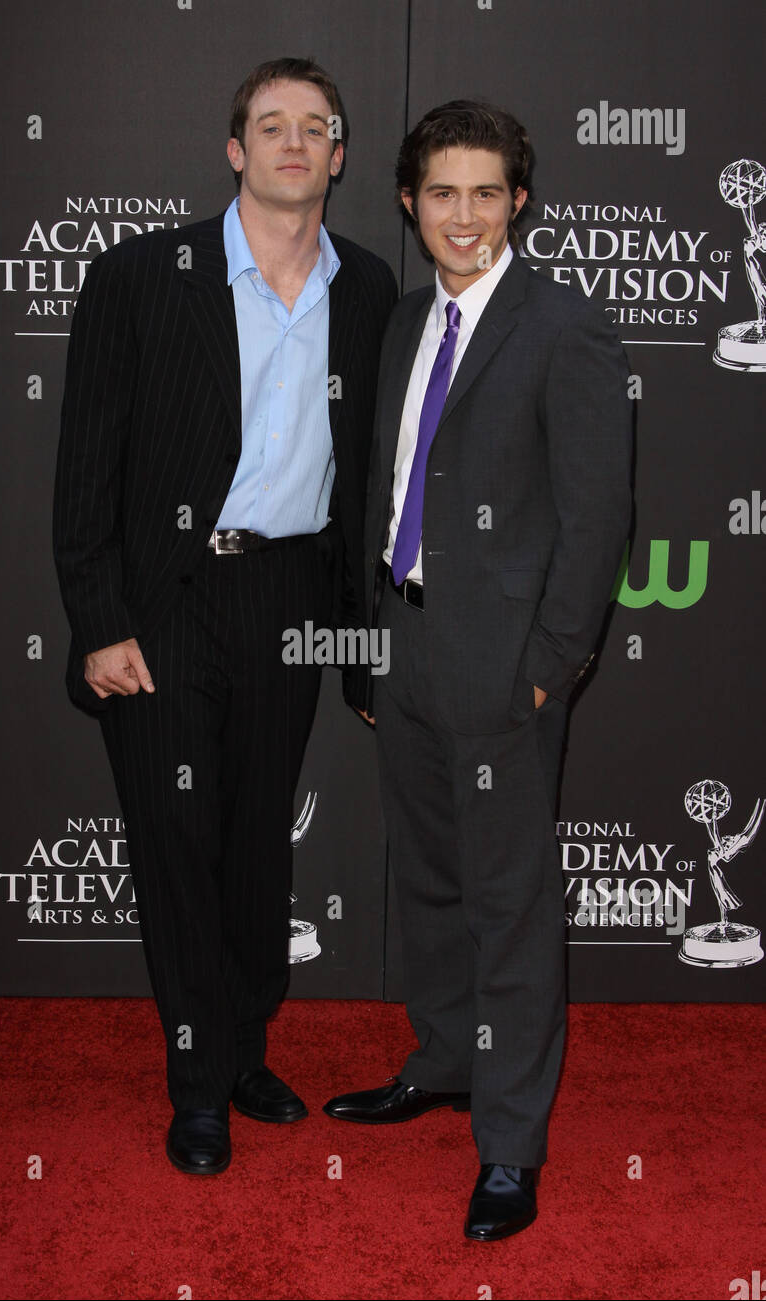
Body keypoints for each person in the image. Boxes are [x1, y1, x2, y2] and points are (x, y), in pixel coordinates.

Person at [53, 57, 397, 1176]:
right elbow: (83, 470)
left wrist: (358, 650)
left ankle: (245, 1044)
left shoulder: (371, 291)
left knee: (256, 845)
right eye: (270, 124)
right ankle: (197, 1081)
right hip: (167, 601)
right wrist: (100, 619)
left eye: (316, 126)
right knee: (176, 844)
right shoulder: (142, 276)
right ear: (235, 151)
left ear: (338, 156)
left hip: (291, 597)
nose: (293, 142)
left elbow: (366, 490)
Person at [324, 100, 633, 1241]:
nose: (464, 216)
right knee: (431, 883)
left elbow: (598, 517)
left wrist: (549, 665)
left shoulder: (565, 325)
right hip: (399, 645)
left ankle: (507, 1144)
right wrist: (364, 640)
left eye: (485, 192)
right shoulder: (405, 322)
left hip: (504, 666)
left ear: (518, 201)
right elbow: (381, 489)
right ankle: (445, 1061)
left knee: (506, 906)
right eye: (441, 193)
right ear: (408, 203)